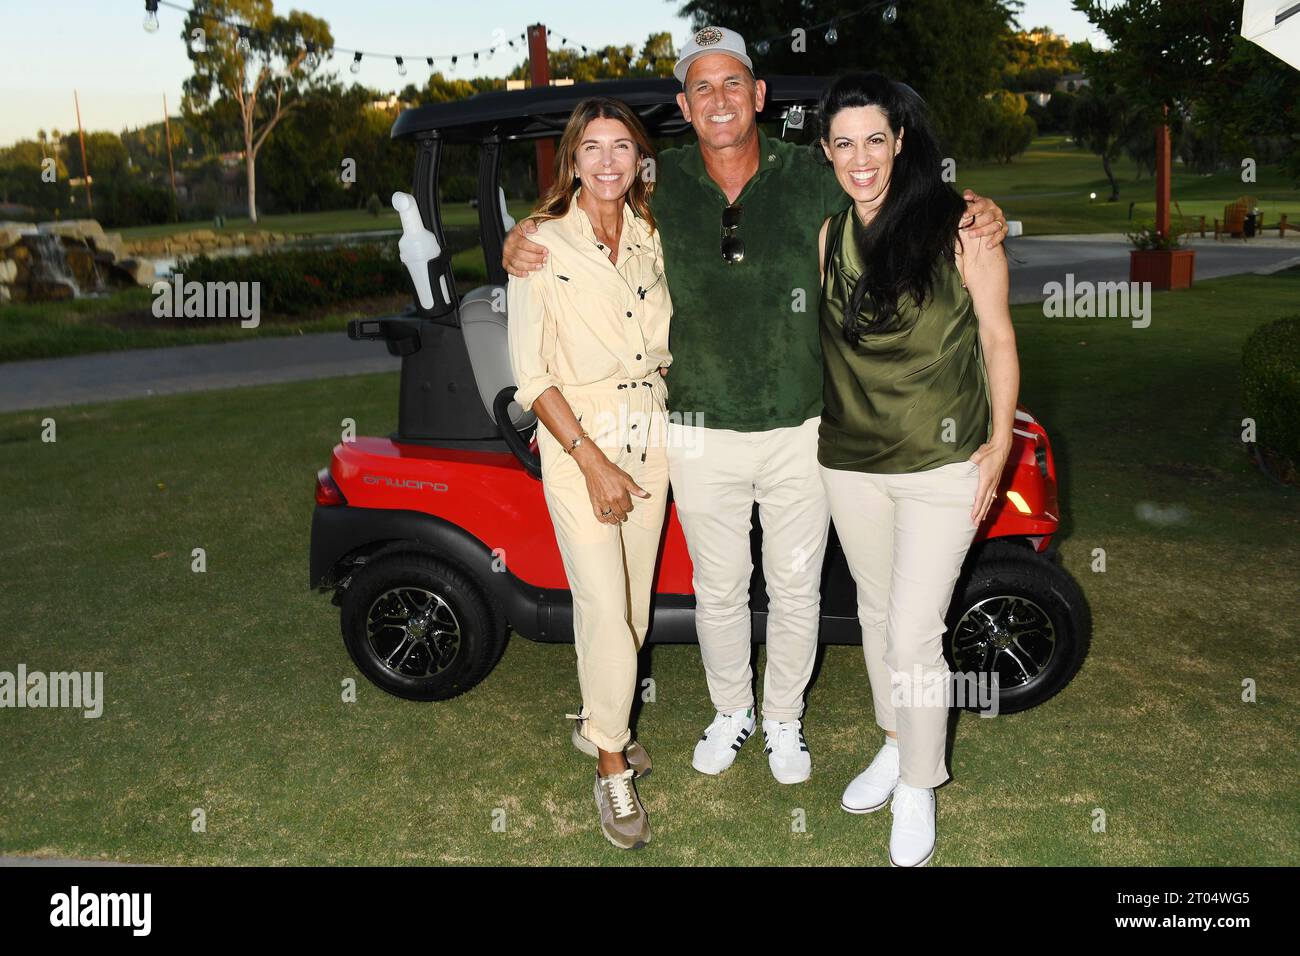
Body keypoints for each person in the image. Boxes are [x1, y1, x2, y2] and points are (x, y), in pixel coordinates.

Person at [504, 26, 1010, 786]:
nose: (718, 99)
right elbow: (589, 199)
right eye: (700, 86)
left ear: (758, 95)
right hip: (698, 427)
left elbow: (905, 191)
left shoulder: (817, 172)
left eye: (732, 83)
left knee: (797, 584)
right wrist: (524, 233)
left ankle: (781, 720)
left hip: (805, 423)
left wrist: (976, 207)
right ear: (683, 103)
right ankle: (732, 709)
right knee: (719, 586)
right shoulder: (657, 181)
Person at [815, 72, 1020, 866]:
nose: (860, 158)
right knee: (874, 615)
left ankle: (918, 785)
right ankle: (897, 742)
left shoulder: (963, 226)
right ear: (827, 152)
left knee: (914, 632)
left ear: (901, 141)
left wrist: (1000, 443)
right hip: (851, 463)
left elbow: (998, 340)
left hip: (943, 461)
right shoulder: (830, 238)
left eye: (875, 139)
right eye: (843, 143)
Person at [505, 97, 672, 851]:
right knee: (607, 608)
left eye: (622, 148)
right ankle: (611, 762)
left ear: (640, 159)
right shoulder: (540, 245)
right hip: (580, 440)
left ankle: (596, 720)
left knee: (626, 609)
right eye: (593, 148)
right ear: (572, 160)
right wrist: (590, 457)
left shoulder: (652, 233)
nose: (608, 162)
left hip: (653, 434)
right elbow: (530, 376)